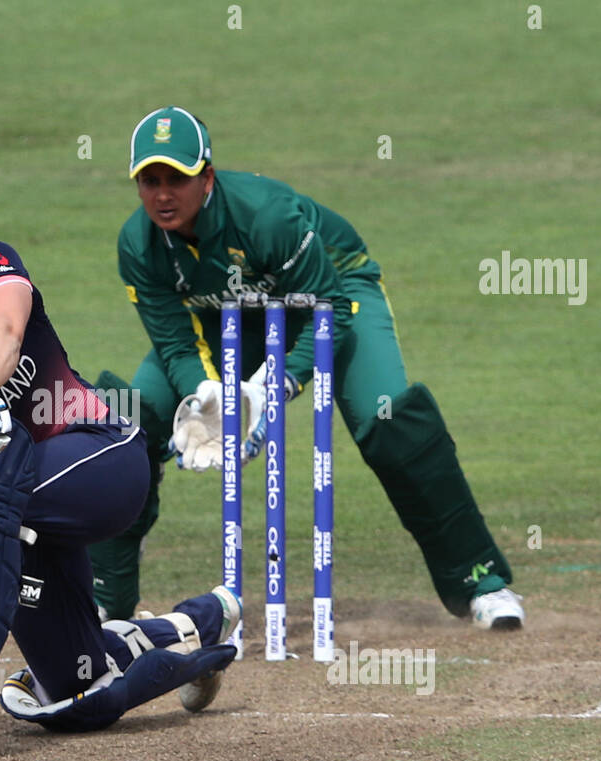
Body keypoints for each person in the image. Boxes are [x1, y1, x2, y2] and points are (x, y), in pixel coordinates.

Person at [0, 174, 240, 760]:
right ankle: (194, 626)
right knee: (77, 692)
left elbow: (3, 326)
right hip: (25, 518)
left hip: (102, 458)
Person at [88, 107, 526, 631]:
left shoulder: (266, 217)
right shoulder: (138, 244)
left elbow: (330, 309)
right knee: (128, 422)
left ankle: (483, 584)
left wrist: (268, 390)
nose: (163, 195)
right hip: (226, 312)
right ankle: (102, 597)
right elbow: (176, 342)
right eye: (149, 180)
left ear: (207, 177)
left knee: (389, 421)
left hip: (331, 294)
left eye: (177, 179)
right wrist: (211, 399)